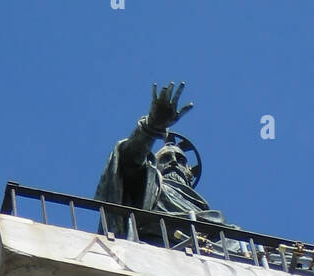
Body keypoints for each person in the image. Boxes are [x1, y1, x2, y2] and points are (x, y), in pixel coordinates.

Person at [96, 81, 229, 231]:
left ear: (190, 172)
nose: (173, 162)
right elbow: (129, 160)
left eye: (180, 160)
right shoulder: (148, 186)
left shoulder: (211, 215)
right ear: (155, 166)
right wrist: (151, 128)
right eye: (165, 158)